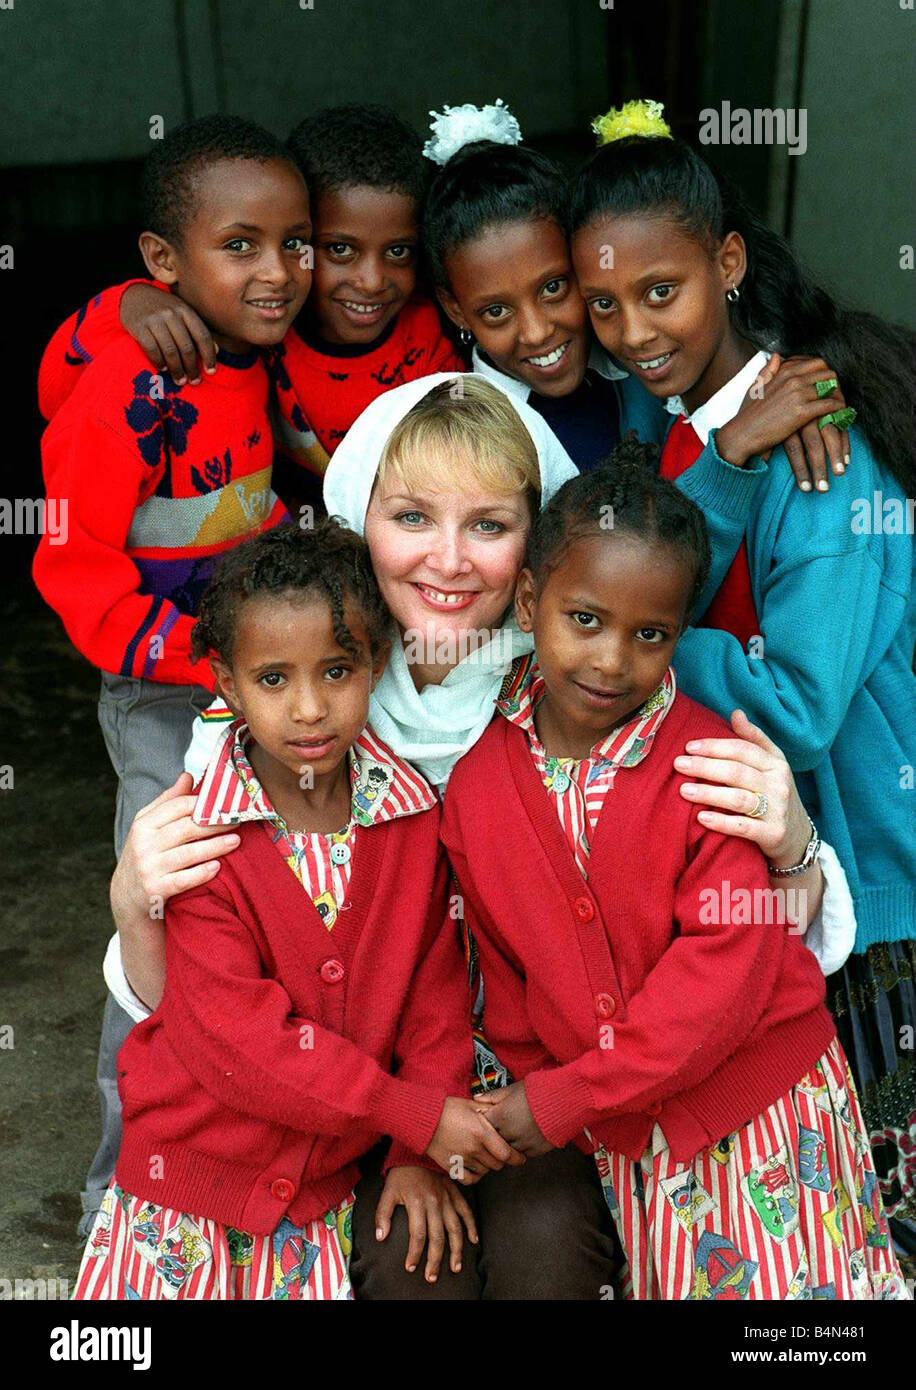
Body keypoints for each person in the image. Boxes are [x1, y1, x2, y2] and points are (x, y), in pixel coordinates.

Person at [105, 376, 857, 1296]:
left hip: (576, 1087)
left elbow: (645, 559)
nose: (449, 562)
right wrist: (132, 907)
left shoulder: (580, 686)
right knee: (410, 1261)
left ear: (535, 559)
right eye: (413, 517)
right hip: (357, 1088)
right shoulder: (290, 698)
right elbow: (208, 998)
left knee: (546, 1243)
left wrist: (797, 850)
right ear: (357, 518)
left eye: (490, 526)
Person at [569, 101, 916, 1269]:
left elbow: (802, 701)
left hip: (872, 902)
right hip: (778, 881)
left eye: (658, 293)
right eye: (603, 303)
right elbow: (659, 559)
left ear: (726, 263)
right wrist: (717, 464)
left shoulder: (823, 460)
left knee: (878, 1214)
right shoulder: (668, 417)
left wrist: (627, 658)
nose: (630, 330)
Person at [441, 444, 908, 1299]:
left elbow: (717, 989)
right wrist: (547, 1094)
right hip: (629, 1135)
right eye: (585, 619)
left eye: (649, 634)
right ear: (532, 600)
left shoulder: (710, 768)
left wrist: (559, 1101)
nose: (612, 660)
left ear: (679, 637)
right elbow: (509, 990)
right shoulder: (477, 788)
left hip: (765, 1119)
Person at [73, 519, 514, 1300]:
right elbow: (242, 1047)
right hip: (183, 1196)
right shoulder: (203, 840)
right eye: (274, 679)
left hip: (317, 1204)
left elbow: (436, 999)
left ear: (377, 665)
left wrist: (415, 1155)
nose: (310, 708)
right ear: (227, 683)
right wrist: (414, 1115)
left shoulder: (410, 821)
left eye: (336, 670)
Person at [32, 113, 315, 1239]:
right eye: (238, 245)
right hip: (166, 691)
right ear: (165, 264)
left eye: (295, 241)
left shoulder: (256, 355)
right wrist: (198, 658)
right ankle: (122, 1199)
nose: (278, 271)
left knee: (272, 907)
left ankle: (264, 1162)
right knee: (160, 915)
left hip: (261, 678)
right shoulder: (129, 381)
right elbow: (72, 564)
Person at [42, 105, 463, 505]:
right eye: (337, 249)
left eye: (399, 251)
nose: (371, 281)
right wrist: (130, 299)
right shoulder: (267, 326)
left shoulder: (425, 339)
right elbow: (59, 388)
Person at [422, 99, 851, 491]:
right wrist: (732, 449)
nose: (536, 332)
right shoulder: (464, 435)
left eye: (554, 288)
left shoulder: (643, 376)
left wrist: (788, 390)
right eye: (496, 311)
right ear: (456, 309)